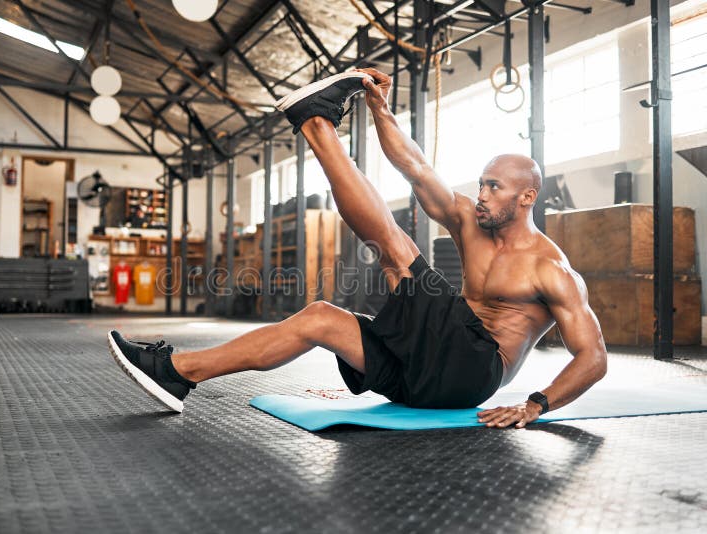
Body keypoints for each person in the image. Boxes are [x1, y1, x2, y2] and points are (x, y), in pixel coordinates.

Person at [107, 68, 607, 429]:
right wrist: (379, 109)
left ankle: (315, 124)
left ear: (527, 197)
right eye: (480, 184)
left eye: (494, 188)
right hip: (422, 376)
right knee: (321, 318)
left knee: (398, 250)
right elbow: (415, 167)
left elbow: (594, 357)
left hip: (473, 370)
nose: (480, 195)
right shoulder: (469, 221)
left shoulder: (551, 269)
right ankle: (176, 374)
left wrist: (537, 403)